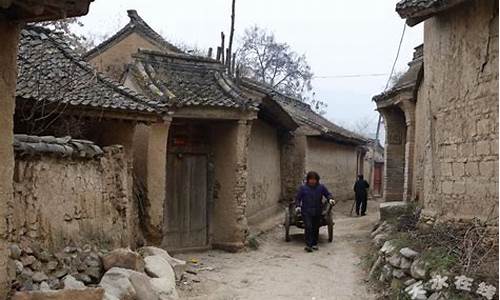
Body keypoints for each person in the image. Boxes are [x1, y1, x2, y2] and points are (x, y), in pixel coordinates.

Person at [295, 171, 335, 252]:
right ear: (308, 180)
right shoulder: (303, 188)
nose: (312, 181)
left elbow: (328, 194)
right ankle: (308, 245)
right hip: (306, 211)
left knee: (315, 227)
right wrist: (298, 206)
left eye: (314, 179)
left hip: (317, 211)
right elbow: (298, 198)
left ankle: (314, 244)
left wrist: (330, 199)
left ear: (317, 180)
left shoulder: (321, 187)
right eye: (311, 179)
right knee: (308, 227)